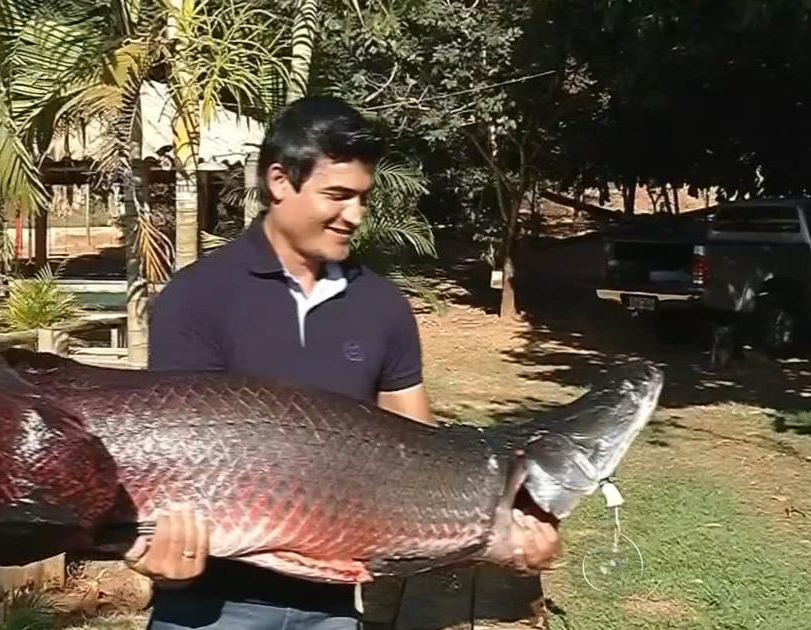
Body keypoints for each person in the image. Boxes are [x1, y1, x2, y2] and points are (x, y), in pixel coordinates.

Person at [125, 95, 560, 630]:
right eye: (337, 195)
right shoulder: (196, 298)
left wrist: (506, 535)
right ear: (280, 181)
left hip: (332, 612)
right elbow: (175, 462)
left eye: (362, 198)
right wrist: (159, 557)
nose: (354, 215)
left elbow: (420, 455)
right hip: (210, 608)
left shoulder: (382, 307)